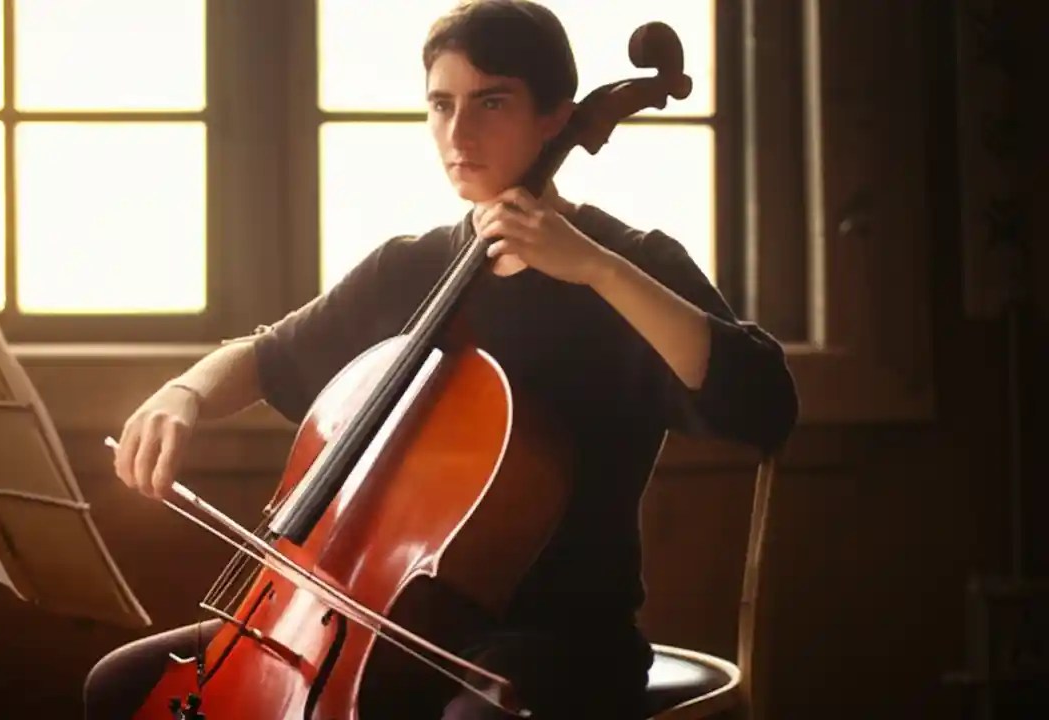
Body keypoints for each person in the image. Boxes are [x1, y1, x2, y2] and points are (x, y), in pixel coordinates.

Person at [86, 1, 799, 718]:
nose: (458, 133)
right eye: (441, 104)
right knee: (122, 688)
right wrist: (184, 393)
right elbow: (268, 355)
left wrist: (596, 268)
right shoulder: (409, 268)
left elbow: (763, 402)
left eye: (490, 102)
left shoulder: (630, 265)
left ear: (556, 115)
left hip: (559, 639)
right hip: (377, 616)